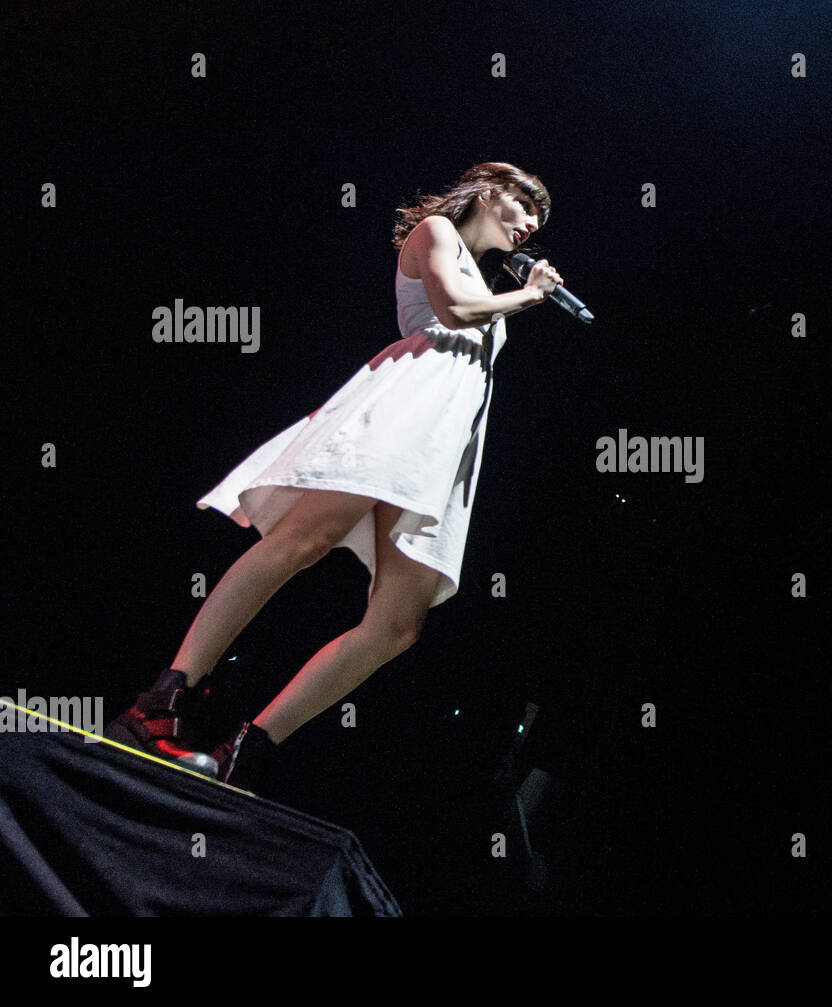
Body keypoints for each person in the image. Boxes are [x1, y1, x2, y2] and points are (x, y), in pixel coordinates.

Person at [105, 162, 562, 792]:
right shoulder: (435, 232)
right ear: (491, 192)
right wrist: (530, 295)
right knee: (303, 540)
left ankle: (249, 748)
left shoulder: (490, 280)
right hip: (404, 402)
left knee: (398, 624)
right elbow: (453, 311)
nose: (533, 224)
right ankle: (162, 701)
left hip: (445, 438)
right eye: (528, 206)